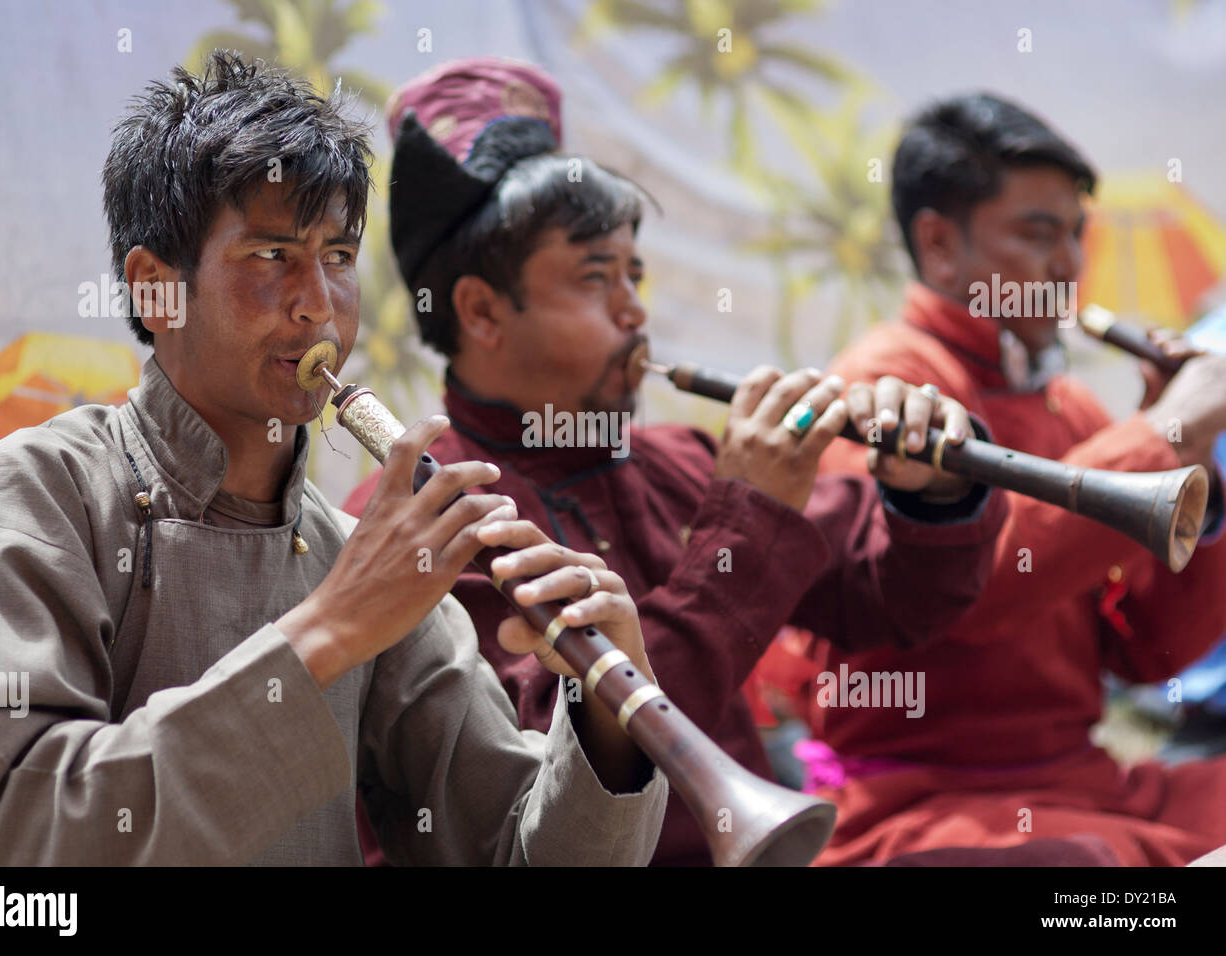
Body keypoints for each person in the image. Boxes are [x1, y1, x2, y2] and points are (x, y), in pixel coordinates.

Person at [0, 51, 669, 866]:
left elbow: (505, 853)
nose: (319, 302)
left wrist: (604, 721)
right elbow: (18, 842)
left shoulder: (356, 557)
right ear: (155, 288)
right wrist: (332, 628)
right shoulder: (37, 493)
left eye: (340, 257)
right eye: (271, 256)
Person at [344, 58, 1009, 866]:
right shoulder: (421, 511)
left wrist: (933, 493)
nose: (635, 312)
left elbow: (890, 604)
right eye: (595, 279)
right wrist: (753, 517)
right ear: (482, 311)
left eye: (635, 273)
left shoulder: (674, 461)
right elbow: (552, 778)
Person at [784, 92, 1226, 866]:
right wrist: (1165, 432)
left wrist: (1191, 475)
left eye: (1075, 236)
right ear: (939, 243)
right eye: (1038, 234)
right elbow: (973, 590)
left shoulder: (1073, 406)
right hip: (926, 804)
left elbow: (1154, 653)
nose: (1068, 267)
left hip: (1083, 786)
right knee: (1085, 878)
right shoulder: (886, 382)